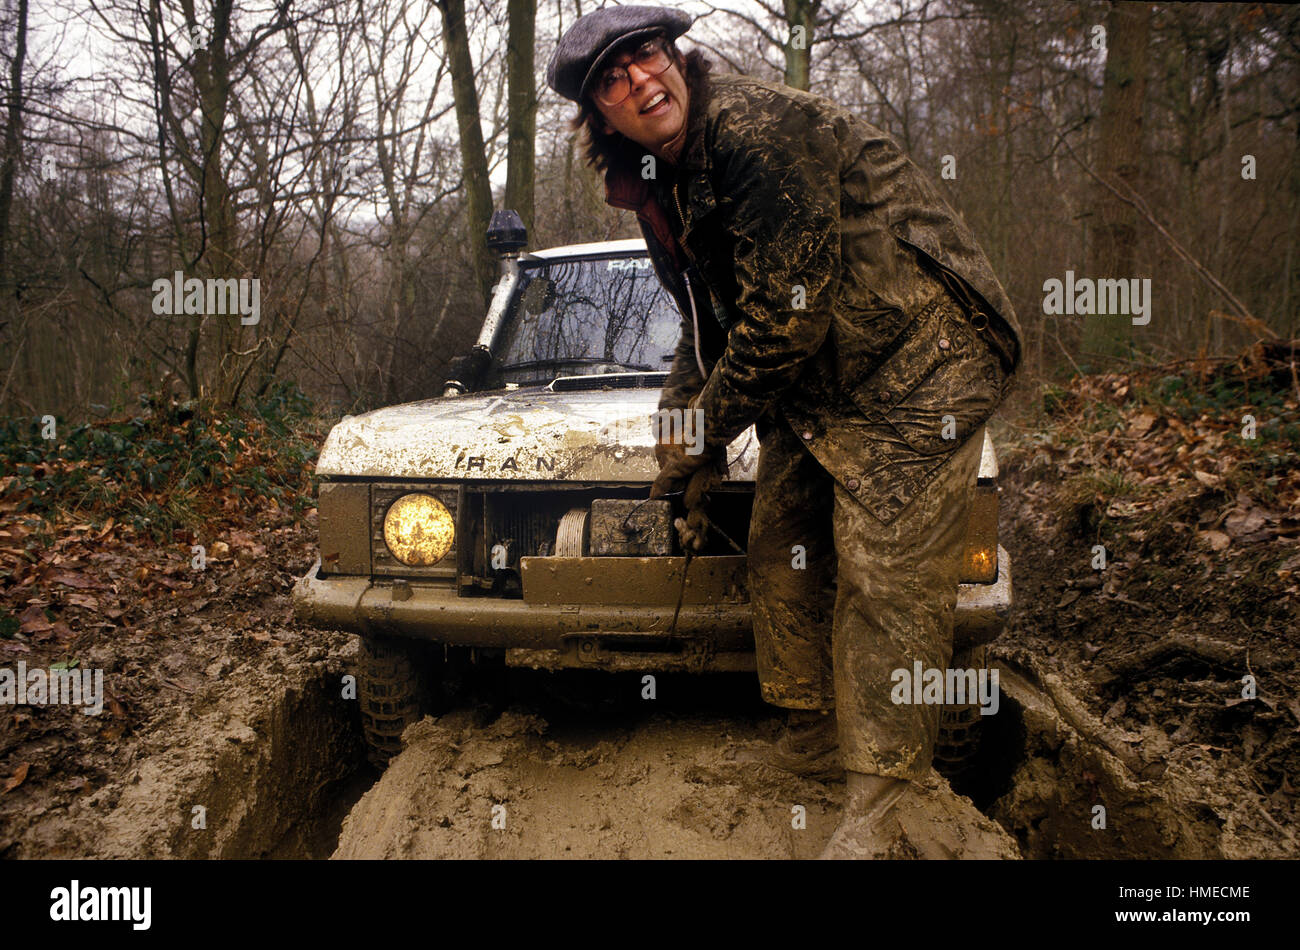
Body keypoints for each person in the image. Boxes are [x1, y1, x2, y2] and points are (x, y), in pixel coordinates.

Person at [546, 5, 1023, 859]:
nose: (640, 81)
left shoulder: (756, 132)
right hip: (827, 379)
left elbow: (780, 324)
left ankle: (883, 802)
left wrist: (701, 441)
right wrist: (675, 444)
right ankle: (815, 739)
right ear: (599, 113)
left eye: (646, 57)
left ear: (674, 56)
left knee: (885, 577)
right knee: (781, 543)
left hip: (923, 355)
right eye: (612, 80)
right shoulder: (662, 185)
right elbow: (708, 327)